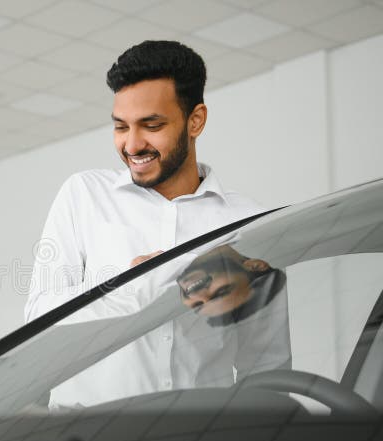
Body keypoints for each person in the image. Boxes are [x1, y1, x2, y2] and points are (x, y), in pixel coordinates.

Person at [25, 40, 265, 322]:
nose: (133, 145)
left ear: (196, 121)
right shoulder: (84, 195)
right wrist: (124, 287)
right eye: (121, 127)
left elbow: (265, 353)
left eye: (152, 126)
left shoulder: (248, 221)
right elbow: (38, 315)